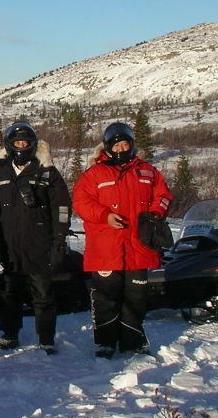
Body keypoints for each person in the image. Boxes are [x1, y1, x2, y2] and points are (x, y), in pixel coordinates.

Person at [71, 122, 172, 358]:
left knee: (136, 296)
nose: (121, 148)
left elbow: (164, 195)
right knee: (106, 296)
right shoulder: (94, 173)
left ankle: (132, 339)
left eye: (125, 143)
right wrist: (105, 215)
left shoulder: (147, 171)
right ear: (107, 146)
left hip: (138, 244)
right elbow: (81, 202)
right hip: (106, 246)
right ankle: (106, 342)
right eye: (116, 144)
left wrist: (156, 214)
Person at [0, 120, 70, 355]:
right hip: (8, 245)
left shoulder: (46, 172)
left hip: (38, 244)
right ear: (9, 145)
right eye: (17, 142)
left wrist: (59, 239)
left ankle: (46, 338)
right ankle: (10, 334)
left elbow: (61, 207)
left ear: (32, 145)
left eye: (25, 142)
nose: (21, 147)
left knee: (42, 294)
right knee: (9, 293)